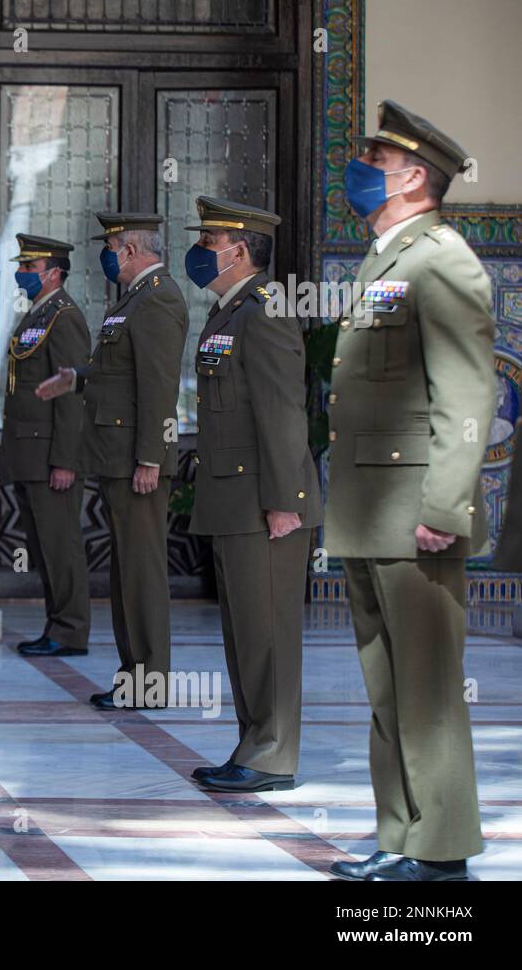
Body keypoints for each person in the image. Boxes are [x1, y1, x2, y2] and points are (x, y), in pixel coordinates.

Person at [325, 101, 492, 882]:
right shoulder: (386, 259)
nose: (359, 173)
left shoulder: (442, 259)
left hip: (413, 511)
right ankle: (400, 833)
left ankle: (445, 848)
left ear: (413, 175)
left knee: (427, 689)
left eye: (373, 161)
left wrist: (441, 507)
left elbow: (465, 395)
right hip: (368, 511)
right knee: (388, 687)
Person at [184, 196, 321, 793]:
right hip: (234, 498)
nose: (200, 252)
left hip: (266, 501)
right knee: (244, 635)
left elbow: (284, 413)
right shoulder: (228, 312)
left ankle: (272, 753)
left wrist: (286, 498)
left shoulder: (264, 311)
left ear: (239, 250)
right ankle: (253, 743)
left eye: (209, 242)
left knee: (268, 634)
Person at [36, 213, 187, 707]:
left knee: (142, 573)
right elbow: (115, 373)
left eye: (113, 246)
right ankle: (134, 677)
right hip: (116, 456)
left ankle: (149, 683)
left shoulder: (159, 298)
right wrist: (74, 378)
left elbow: (159, 389)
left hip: (135, 461)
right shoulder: (133, 299)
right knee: (126, 571)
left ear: (131, 250)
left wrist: (150, 458)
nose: (107, 255)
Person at [0, 234, 93, 658]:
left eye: (29, 268)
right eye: (21, 267)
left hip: (50, 454)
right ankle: (56, 624)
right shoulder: (37, 314)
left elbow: (71, 395)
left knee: (60, 546)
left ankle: (70, 630)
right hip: (28, 452)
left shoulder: (64, 317)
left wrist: (65, 461)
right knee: (43, 546)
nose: (22, 274)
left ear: (53, 273)